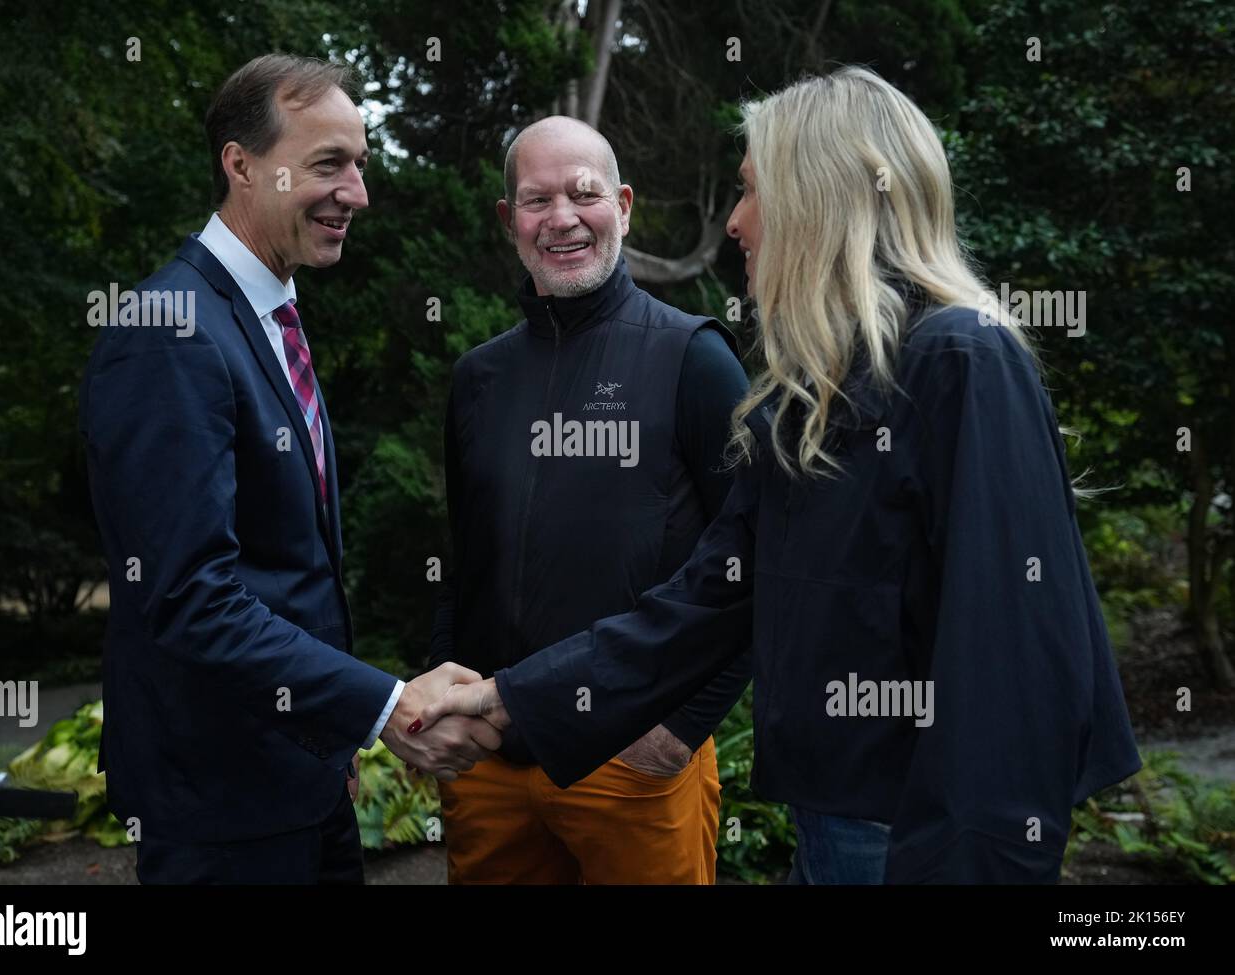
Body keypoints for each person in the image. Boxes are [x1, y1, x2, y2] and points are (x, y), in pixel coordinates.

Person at [408, 67, 1143, 884]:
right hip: (831, 823)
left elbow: (1013, 671)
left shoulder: (962, 360)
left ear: (817, 202)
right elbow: (699, 608)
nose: (734, 223)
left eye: (751, 192)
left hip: (916, 837)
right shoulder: (804, 400)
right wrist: (507, 699)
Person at [79, 54, 498, 885]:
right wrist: (385, 705)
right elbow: (192, 598)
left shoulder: (266, 317)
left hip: (298, 783)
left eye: (362, 166)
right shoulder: (169, 332)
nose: (358, 193)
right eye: (328, 164)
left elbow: (284, 576)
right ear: (241, 165)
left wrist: (324, 739)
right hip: (222, 813)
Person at [428, 116, 751, 884]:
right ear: (510, 221)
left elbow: (753, 562)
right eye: (537, 200)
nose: (563, 217)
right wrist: (444, 703)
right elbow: (464, 559)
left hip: (633, 759)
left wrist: (679, 729)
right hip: (492, 763)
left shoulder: (695, 357)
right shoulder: (480, 379)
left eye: (585, 194)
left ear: (625, 205)